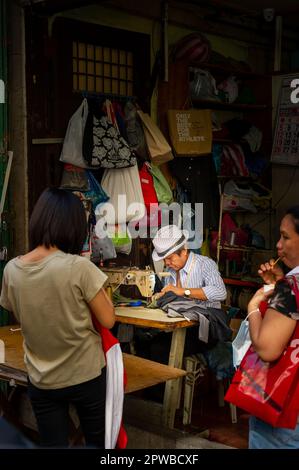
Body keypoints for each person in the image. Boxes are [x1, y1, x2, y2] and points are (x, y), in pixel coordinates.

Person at [0, 188, 115, 448]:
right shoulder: (80, 267)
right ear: (74, 226)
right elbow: (108, 319)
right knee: (97, 444)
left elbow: (20, 314)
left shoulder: (12, 270)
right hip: (85, 375)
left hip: (42, 379)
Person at [246, 205, 299, 449]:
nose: (278, 244)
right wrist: (279, 285)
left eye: (286, 237)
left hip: (285, 410)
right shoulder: (287, 286)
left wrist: (255, 306)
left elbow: (267, 349)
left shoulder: (293, 286)